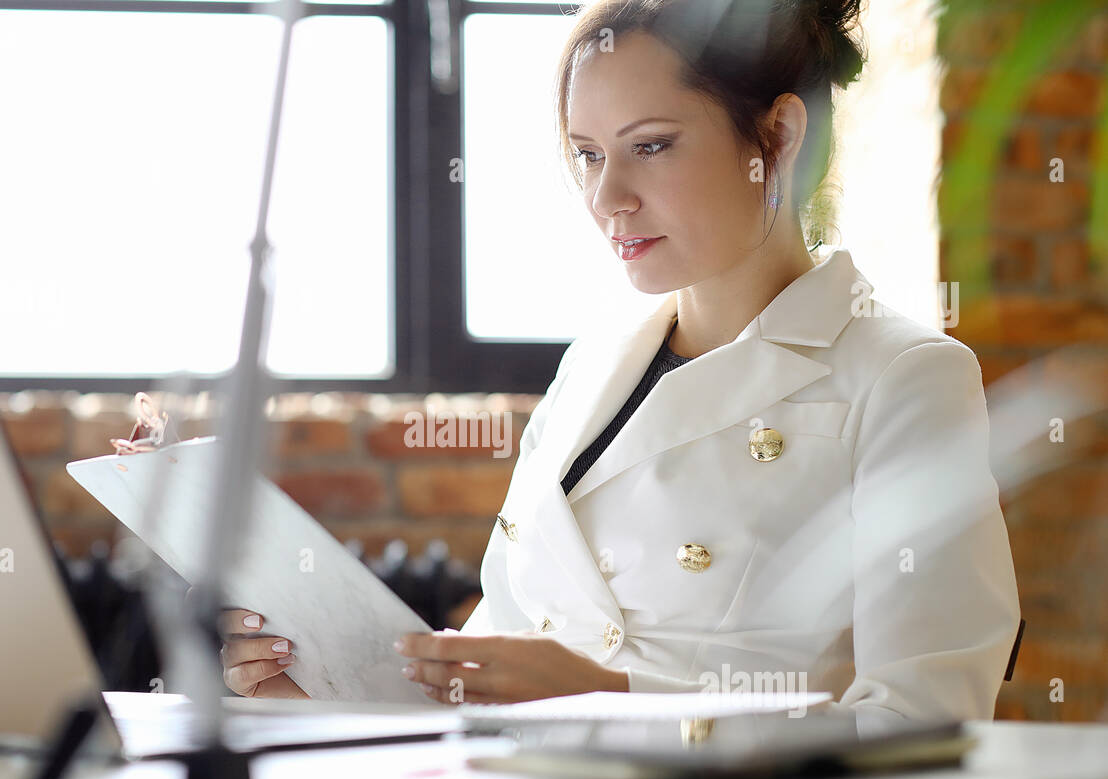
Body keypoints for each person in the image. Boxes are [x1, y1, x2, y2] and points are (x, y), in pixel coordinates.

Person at [220, 0, 1022, 733]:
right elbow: (494, 669)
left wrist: (610, 697)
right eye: (588, 155)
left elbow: (927, 721)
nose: (608, 197)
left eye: (650, 146)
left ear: (776, 137)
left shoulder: (906, 377)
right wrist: (316, 690)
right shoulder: (591, 369)